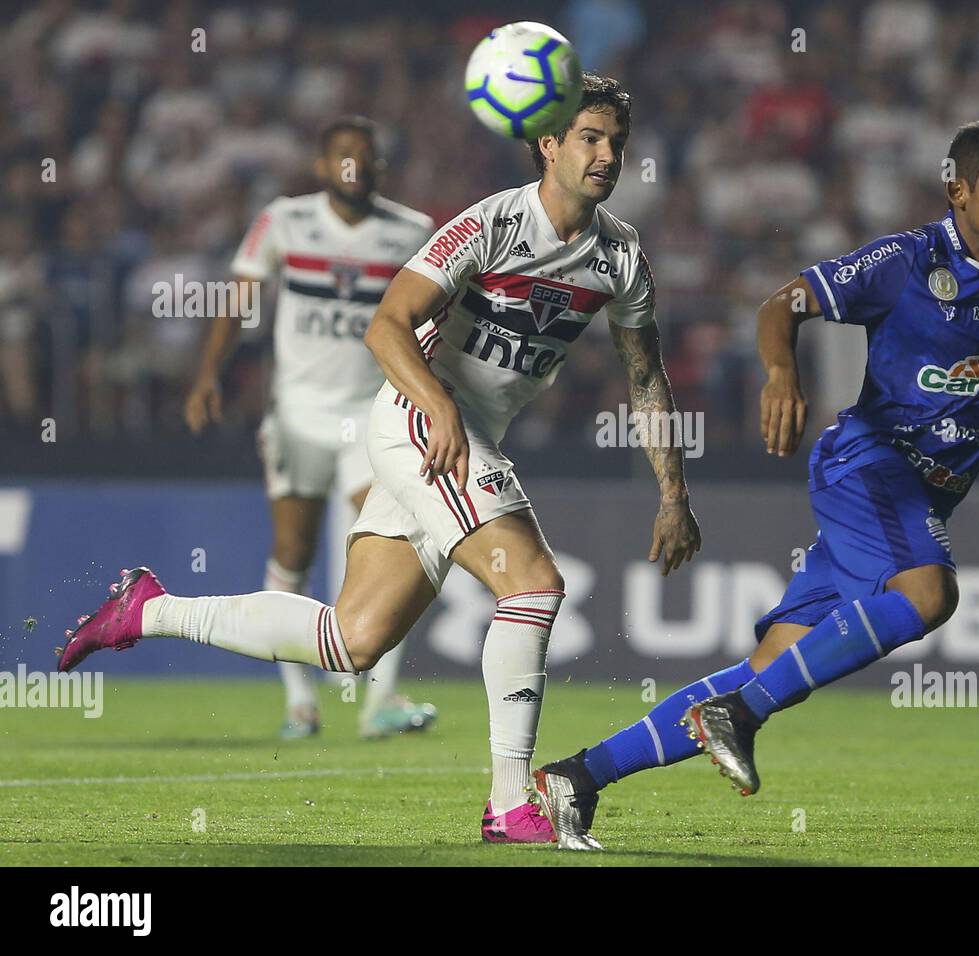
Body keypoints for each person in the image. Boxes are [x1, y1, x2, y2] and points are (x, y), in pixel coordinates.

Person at [532, 118, 979, 851]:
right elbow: (784, 303)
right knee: (929, 592)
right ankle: (742, 714)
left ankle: (578, 775)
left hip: (917, 494)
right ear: (959, 191)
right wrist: (780, 373)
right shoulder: (906, 261)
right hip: (868, 460)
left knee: (769, 666)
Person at [58, 75, 702, 845]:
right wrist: (437, 404)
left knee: (351, 641)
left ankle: (147, 609)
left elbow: (645, 376)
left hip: (458, 434)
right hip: (419, 424)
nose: (606, 156)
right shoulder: (488, 226)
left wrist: (672, 494)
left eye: (617, 144)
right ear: (549, 144)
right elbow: (387, 325)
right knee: (533, 586)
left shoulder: (620, 256)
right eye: (590, 139)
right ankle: (509, 803)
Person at [184, 115, 437, 740]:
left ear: (380, 166)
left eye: (366, 155)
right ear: (322, 166)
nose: (355, 165)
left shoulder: (412, 231)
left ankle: (379, 701)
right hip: (297, 413)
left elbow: (436, 318)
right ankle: (301, 702)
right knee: (293, 552)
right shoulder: (285, 220)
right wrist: (207, 375)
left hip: (372, 413)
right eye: (343, 155)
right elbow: (239, 300)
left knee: (392, 538)